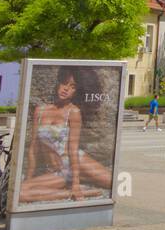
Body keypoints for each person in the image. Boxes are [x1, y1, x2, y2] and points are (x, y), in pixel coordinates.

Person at [18, 67, 114, 204]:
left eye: (72, 86)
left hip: (76, 161)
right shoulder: (40, 111)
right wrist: (29, 177)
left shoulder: (73, 112)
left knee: (113, 182)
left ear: (77, 92)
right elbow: (33, 148)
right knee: (21, 192)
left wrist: (75, 184)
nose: (66, 89)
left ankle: (79, 183)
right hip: (59, 171)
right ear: (58, 83)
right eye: (64, 83)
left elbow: (73, 150)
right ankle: (78, 191)